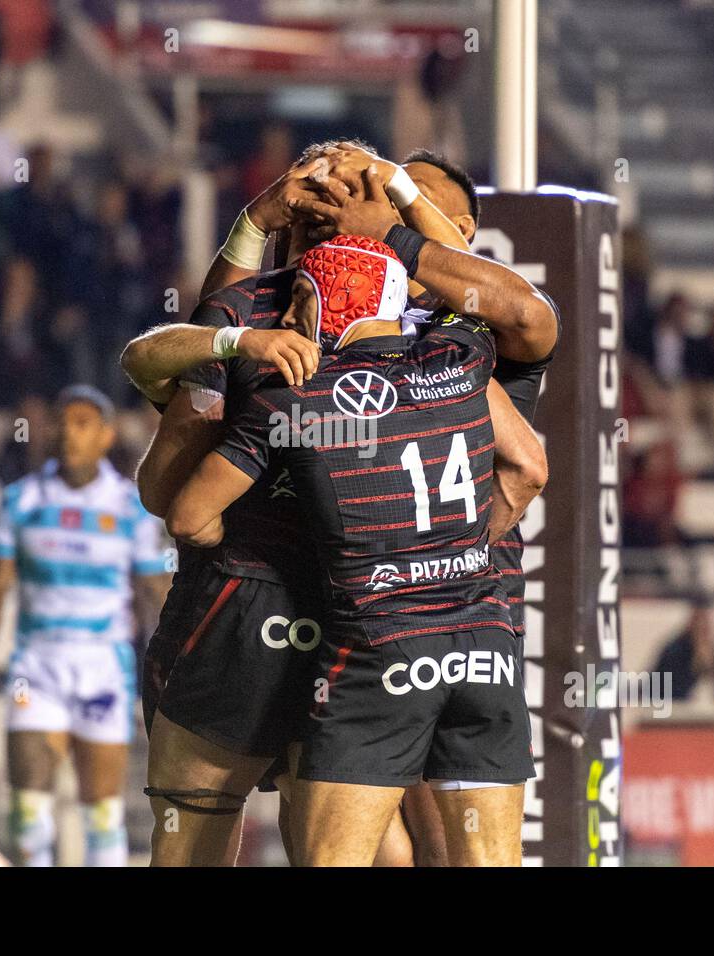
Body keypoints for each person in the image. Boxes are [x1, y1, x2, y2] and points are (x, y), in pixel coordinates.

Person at [123, 141, 554, 866]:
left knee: (257, 819)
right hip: (405, 618)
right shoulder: (455, 347)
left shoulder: (446, 326)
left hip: (328, 611)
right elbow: (528, 463)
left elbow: (173, 496)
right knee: (379, 836)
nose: (356, 203)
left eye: (385, 194)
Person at [0, 385, 172, 867]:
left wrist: (181, 665)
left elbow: (158, 592)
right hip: (36, 667)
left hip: (103, 668)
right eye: (63, 423)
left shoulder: (128, 508)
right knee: (28, 806)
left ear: (105, 435)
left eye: (83, 424)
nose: (70, 434)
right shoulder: (21, 501)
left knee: (101, 811)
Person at [651, 596, 714, 702]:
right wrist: (696, 665)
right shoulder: (675, 650)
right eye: (701, 621)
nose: (704, 627)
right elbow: (671, 692)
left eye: (708, 623)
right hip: (663, 706)